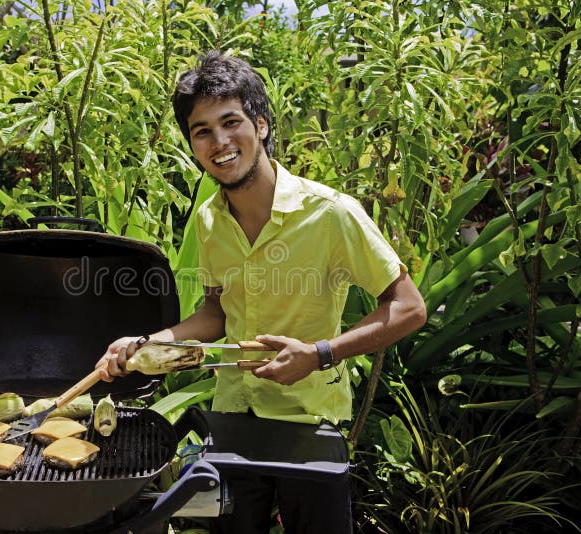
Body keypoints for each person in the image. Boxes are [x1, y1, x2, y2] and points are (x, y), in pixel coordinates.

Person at [96, 50, 427, 534]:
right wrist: (148, 343)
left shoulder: (331, 213)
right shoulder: (208, 221)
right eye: (202, 131)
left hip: (309, 423)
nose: (220, 142)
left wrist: (320, 354)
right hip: (233, 418)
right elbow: (216, 314)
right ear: (192, 144)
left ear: (262, 125)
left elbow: (409, 307)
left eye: (231, 122)